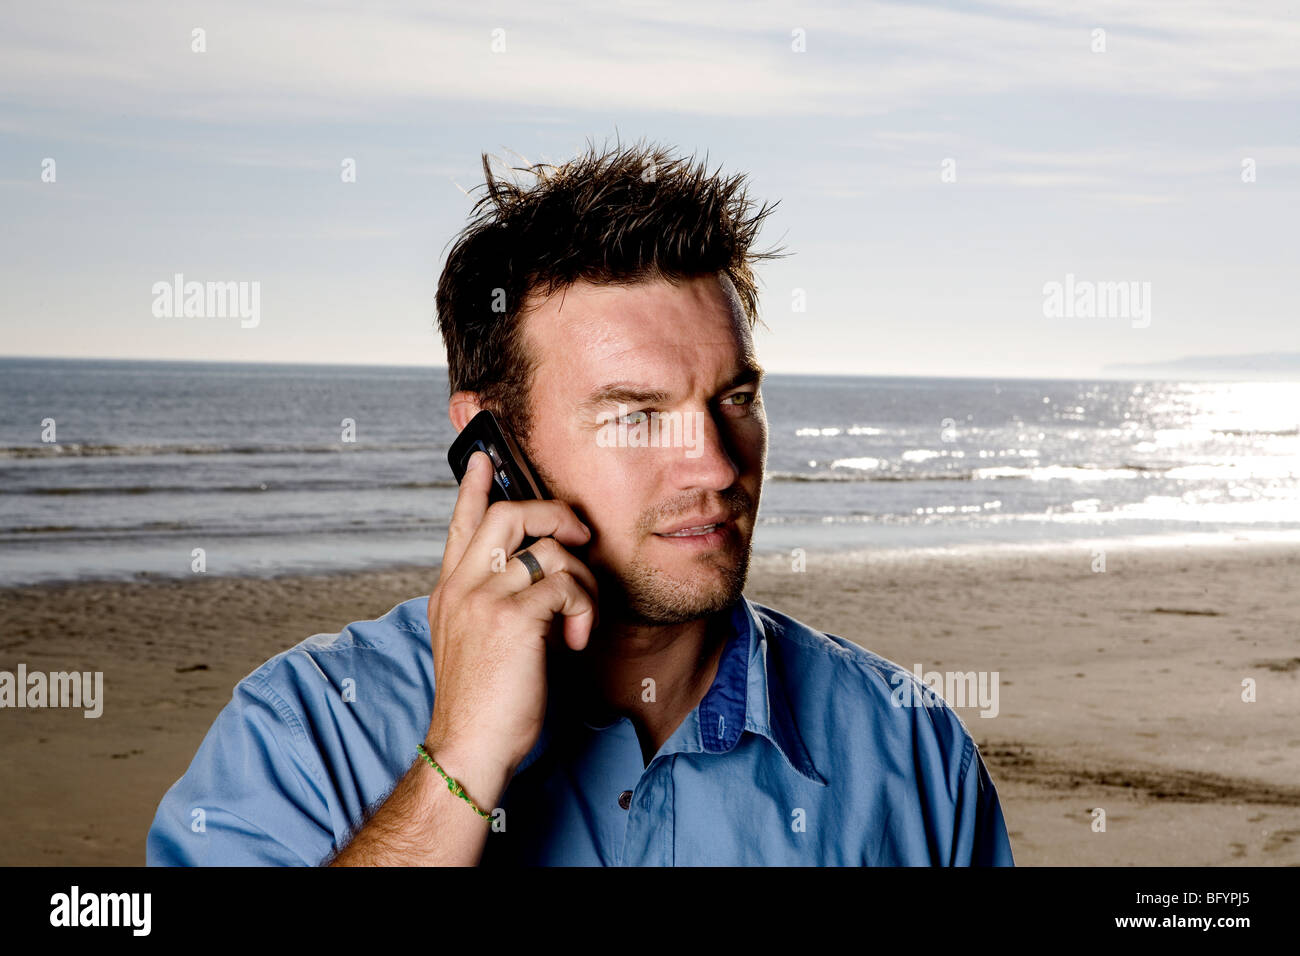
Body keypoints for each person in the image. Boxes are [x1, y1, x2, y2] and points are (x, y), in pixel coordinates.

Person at [146, 140, 1014, 866]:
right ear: (495, 447)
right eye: (636, 416)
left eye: (735, 399)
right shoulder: (306, 730)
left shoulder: (911, 750)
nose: (712, 465)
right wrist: (461, 762)